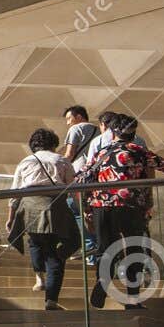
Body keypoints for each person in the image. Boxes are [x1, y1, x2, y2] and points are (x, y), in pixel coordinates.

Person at [82, 115, 164, 309]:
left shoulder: (101, 153)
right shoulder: (138, 151)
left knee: (105, 250)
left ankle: (103, 281)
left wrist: (87, 207)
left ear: (112, 132)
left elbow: (83, 177)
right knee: (135, 249)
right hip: (130, 206)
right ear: (133, 133)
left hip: (102, 207)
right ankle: (132, 299)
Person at [7, 128, 79, 308]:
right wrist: (81, 210)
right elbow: (72, 189)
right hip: (56, 207)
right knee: (60, 251)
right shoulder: (61, 160)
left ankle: (39, 278)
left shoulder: (25, 162)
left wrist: (11, 217)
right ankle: (51, 299)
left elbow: (15, 193)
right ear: (54, 144)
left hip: (29, 206)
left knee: (35, 242)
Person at [62, 105, 100, 259]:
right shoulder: (99, 131)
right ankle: (98, 251)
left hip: (79, 177)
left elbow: (69, 154)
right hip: (96, 178)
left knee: (77, 211)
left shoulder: (76, 129)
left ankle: (90, 251)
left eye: (69, 118)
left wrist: (59, 164)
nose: (68, 123)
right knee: (93, 213)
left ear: (78, 117)